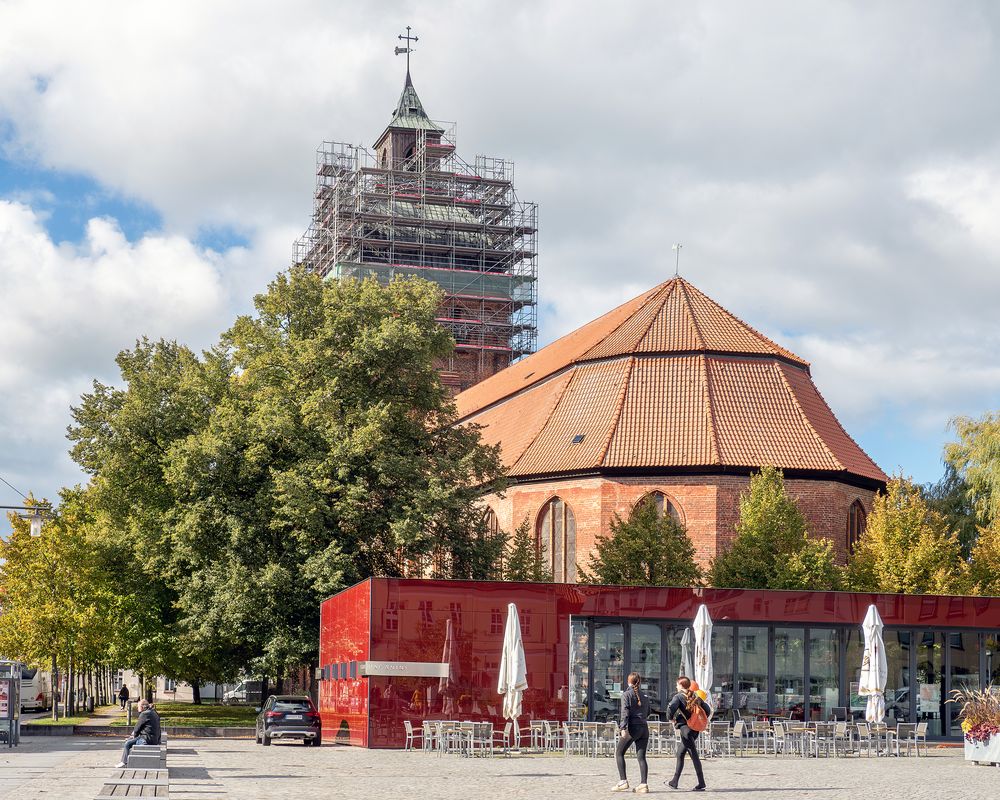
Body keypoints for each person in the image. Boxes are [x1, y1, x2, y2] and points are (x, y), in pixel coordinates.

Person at [665, 676, 710, 791]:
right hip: (694, 730)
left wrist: (671, 719)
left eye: (677, 684)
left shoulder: (679, 697)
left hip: (686, 731)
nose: (676, 686)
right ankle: (674, 782)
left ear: (681, 685)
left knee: (694, 755)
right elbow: (708, 710)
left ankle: (701, 783)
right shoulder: (695, 696)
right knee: (680, 754)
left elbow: (671, 709)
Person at [612, 672, 650, 793]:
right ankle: (643, 784)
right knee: (641, 757)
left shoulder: (626, 694)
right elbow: (648, 712)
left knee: (619, 753)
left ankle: (623, 781)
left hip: (633, 727)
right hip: (644, 727)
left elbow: (625, 712)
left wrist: (622, 727)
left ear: (629, 681)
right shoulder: (645, 696)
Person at [115, 699, 161, 767]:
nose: (137, 708)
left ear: (142, 707)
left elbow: (137, 729)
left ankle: (124, 762)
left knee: (128, 743)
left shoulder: (144, 714)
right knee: (130, 740)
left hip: (147, 740)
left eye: (138, 706)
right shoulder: (154, 712)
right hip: (155, 739)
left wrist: (134, 737)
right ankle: (125, 761)